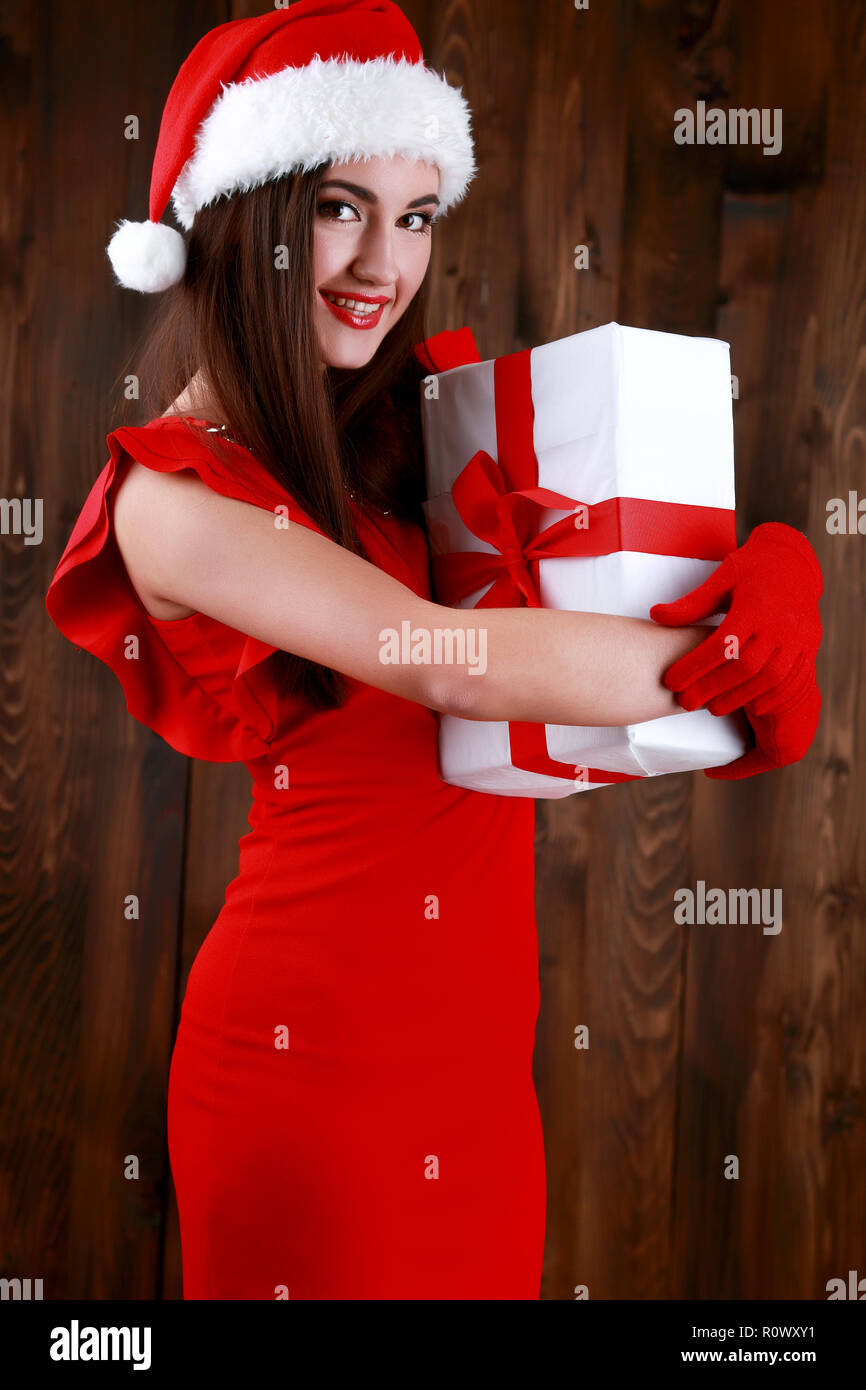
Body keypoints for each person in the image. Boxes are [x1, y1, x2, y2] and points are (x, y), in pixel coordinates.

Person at [44, 0, 823, 1299]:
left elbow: (595, 580)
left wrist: (770, 568)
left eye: (414, 216)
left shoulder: (397, 443)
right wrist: (724, 672)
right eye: (342, 205)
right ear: (248, 209)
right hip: (311, 1074)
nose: (383, 263)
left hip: (474, 1075)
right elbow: (443, 656)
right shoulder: (168, 499)